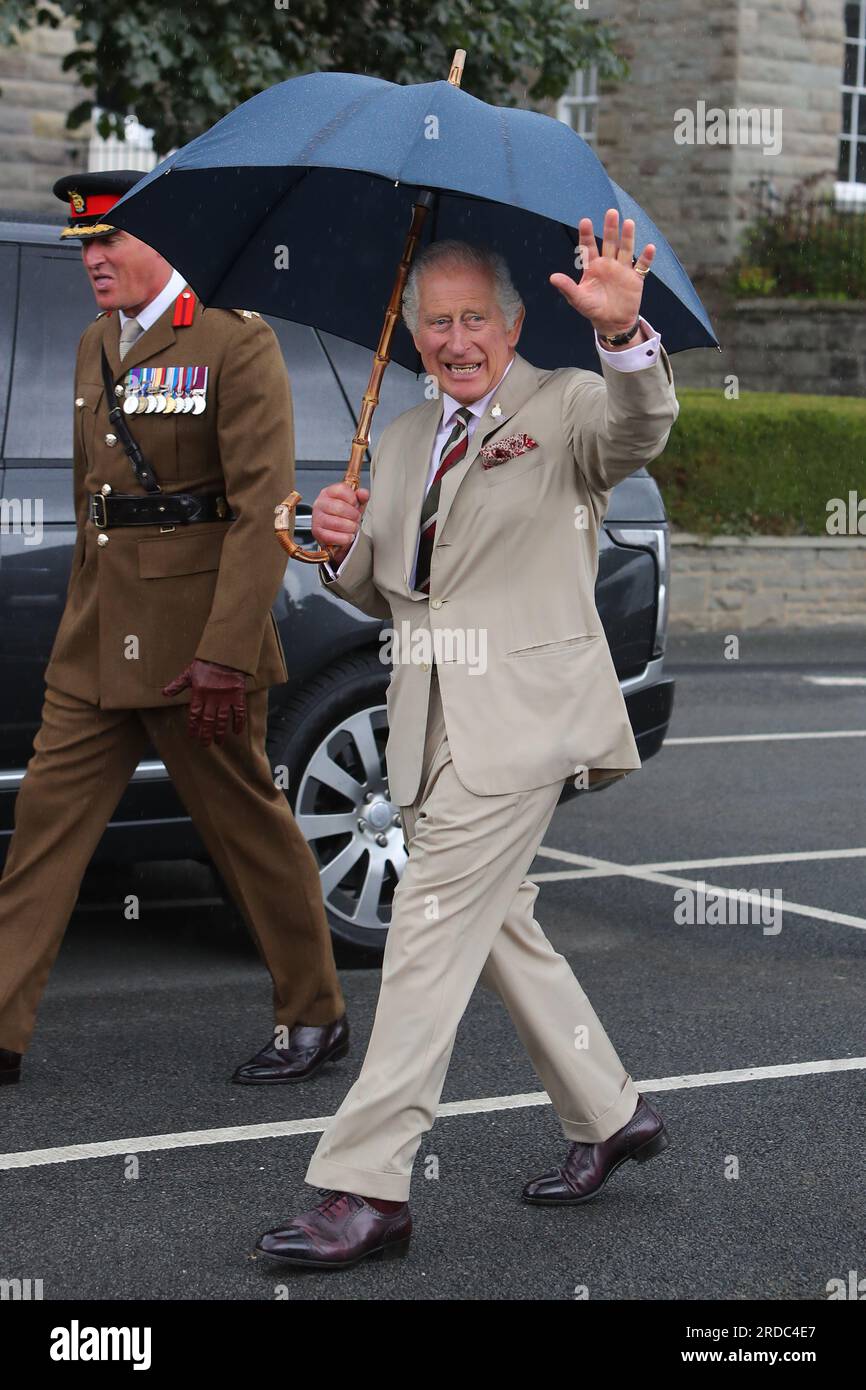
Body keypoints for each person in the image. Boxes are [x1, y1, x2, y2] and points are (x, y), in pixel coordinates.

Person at [255, 212, 679, 1270]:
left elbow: (635, 432)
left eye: (474, 319)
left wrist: (626, 339)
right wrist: (337, 546)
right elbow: (390, 590)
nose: (454, 340)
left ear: (515, 320)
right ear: (412, 332)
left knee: (427, 936)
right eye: (435, 322)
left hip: (522, 724)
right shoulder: (401, 439)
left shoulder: (566, 407)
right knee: (499, 927)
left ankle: (364, 1187)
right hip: (425, 730)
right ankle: (609, 1108)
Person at [0, 170, 348, 1089]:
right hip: (97, 637)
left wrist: (225, 654)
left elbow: (264, 511)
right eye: (86, 246)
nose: (95, 260)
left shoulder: (235, 341)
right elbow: (94, 502)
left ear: (163, 241)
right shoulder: (92, 345)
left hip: (196, 644)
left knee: (243, 826)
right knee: (44, 826)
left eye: (111, 241)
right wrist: (82, 616)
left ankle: (313, 1013)